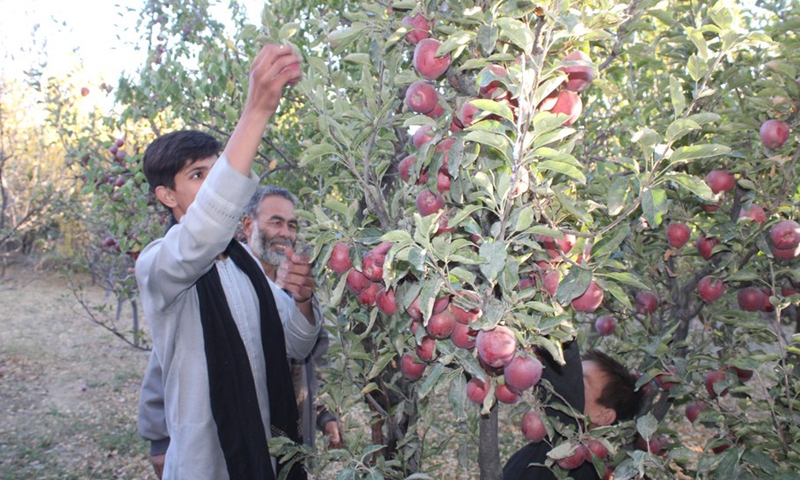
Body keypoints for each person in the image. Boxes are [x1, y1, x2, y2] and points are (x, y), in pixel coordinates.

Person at [135, 43, 318, 480]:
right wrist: (255, 112)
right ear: (166, 195)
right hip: (206, 462)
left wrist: (305, 300)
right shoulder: (160, 266)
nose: (215, 184)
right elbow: (202, 232)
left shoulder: (245, 267)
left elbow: (297, 345)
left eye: (217, 173)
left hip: (268, 452)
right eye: (199, 175)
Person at [137, 186, 342, 478]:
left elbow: (312, 361)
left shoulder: (295, 284)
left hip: (281, 437)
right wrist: (158, 438)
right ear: (247, 225)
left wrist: (325, 415)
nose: (285, 233)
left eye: (292, 225)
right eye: (276, 222)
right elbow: (166, 361)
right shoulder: (212, 276)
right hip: (219, 443)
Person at [503, 342, 643, 480]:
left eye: (582, 379)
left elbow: (567, 390)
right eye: (575, 373)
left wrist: (560, 338)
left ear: (603, 416)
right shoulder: (540, 448)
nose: (573, 378)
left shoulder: (579, 464)